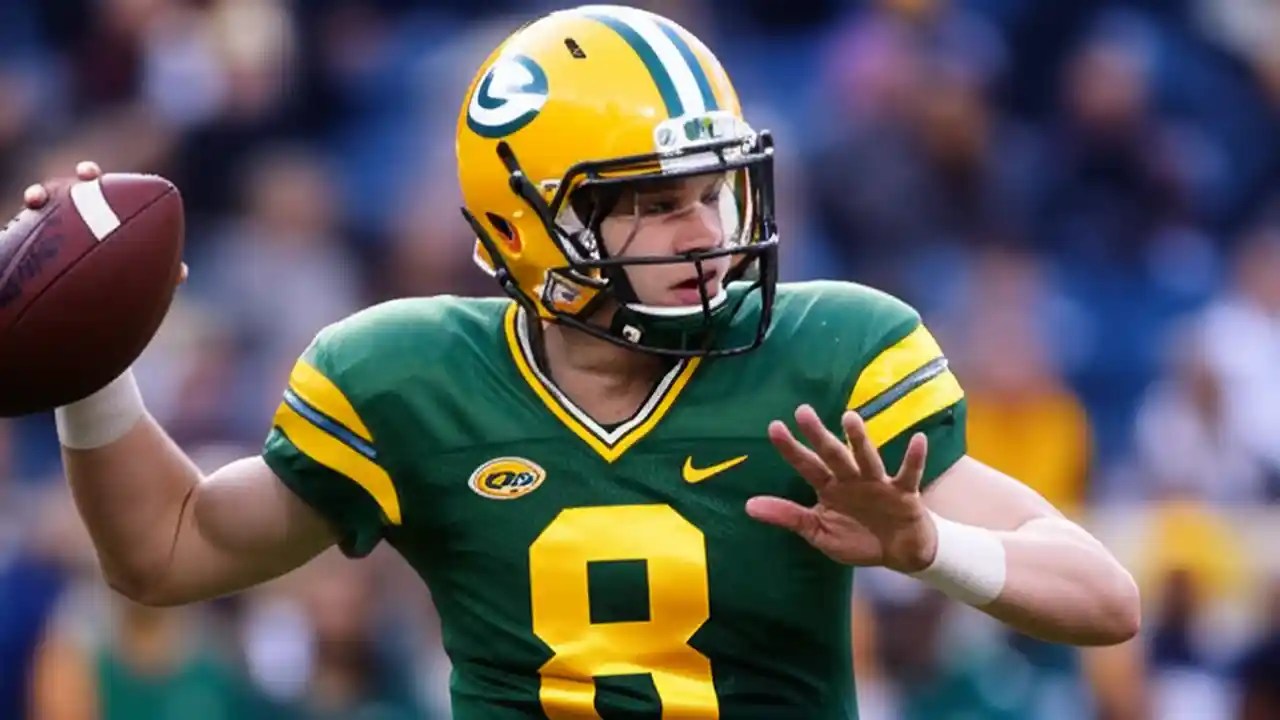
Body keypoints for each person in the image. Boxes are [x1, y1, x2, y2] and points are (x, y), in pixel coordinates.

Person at [25, 5, 1139, 718]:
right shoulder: (405, 378)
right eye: (653, 207)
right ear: (525, 230)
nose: (704, 230)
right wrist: (89, 360)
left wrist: (926, 543)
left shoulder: (827, 353)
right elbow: (165, 553)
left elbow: (1101, 598)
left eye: (710, 190)